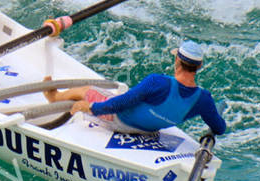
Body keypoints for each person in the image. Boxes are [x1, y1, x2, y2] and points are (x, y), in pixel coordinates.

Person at [46, 40, 228, 135]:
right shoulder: (203, 100)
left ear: (177, 60)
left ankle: (54, 97)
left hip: (118, 121)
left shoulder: (157, 82)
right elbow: (219, 128)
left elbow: (121, 103)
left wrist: (91, 107)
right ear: (199, 67)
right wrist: (215, 114)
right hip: (149, 131)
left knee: (87, 90)